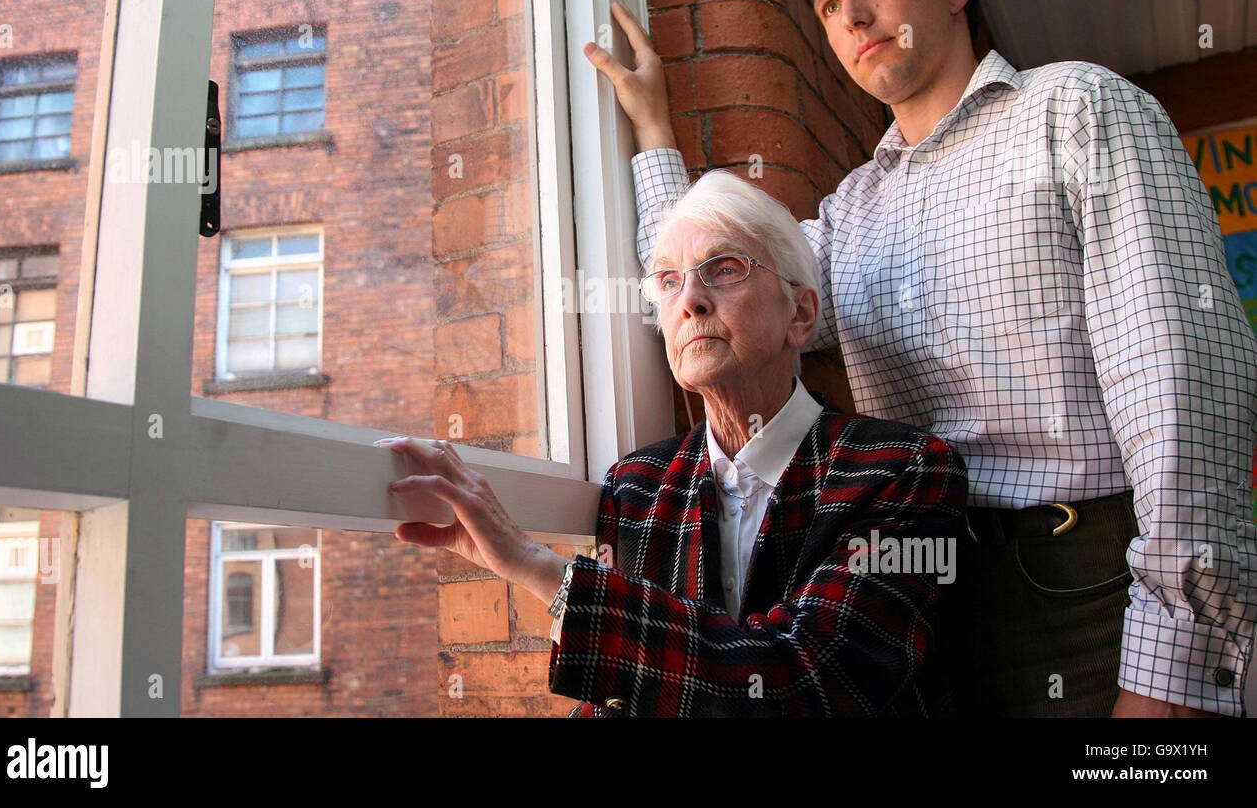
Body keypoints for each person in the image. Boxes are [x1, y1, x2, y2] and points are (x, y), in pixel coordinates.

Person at [584, 0, 1257, 717]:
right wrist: (653, 129)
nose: (854, 15)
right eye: (830, 4)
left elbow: (1185, 387)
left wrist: (1176, 666)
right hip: (915, 587)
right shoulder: (853, 213)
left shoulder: (1076, 111)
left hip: (1093, 584)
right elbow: (710, 280)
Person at [385, 169, 967, 716]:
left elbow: (806, 682)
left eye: (726, 268)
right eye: (668, 280)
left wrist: (536, 565)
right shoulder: (636, 484)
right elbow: (624, 697)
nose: (689, 300)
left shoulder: (906, 470)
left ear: (800, 312)